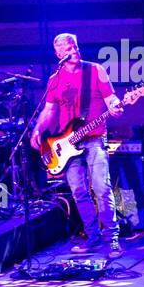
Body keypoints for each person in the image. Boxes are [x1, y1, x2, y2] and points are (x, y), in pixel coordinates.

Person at [31, 33, 124, 258]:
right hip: (67, 143)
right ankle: (92, 236)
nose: (74, 51)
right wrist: (37, 129)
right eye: (67, 49)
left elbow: (110, 97)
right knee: (79, 191)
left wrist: (116, 107)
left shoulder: (95, 70)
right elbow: (50, 110)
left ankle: (112, 238)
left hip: (94, 138)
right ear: (59, 54)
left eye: (75, 46)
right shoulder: (54, 80)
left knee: (102, 188)